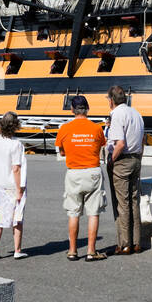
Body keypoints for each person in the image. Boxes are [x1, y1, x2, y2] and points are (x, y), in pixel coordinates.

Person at [55, 95, 107, 261]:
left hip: (74, 173)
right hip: (92, 172)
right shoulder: (97, 128)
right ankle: (91, 251)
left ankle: (72, 250)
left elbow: (62, 151)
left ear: (72, 110)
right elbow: (100, 147)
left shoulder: (64, 128)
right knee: (93, 213)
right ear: (87, 109)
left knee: (73, 212)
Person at [105, 84, 146, 254]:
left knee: (122, 203)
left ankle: (125, 243)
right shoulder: (136, 113)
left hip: (122, 161)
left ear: (112, 100)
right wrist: (139, 159)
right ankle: (136, 242)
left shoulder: (117, 115)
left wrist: (111, 161)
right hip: (136, 159)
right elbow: (143, 140)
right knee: (134, 201)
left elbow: (119, 144)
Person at [0, 111, 27, 258]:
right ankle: (17, 251)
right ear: (16, 126)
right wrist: (19, 189)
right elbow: (16, 168)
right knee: (17, 219)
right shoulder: (16, 144)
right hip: (11, 185)